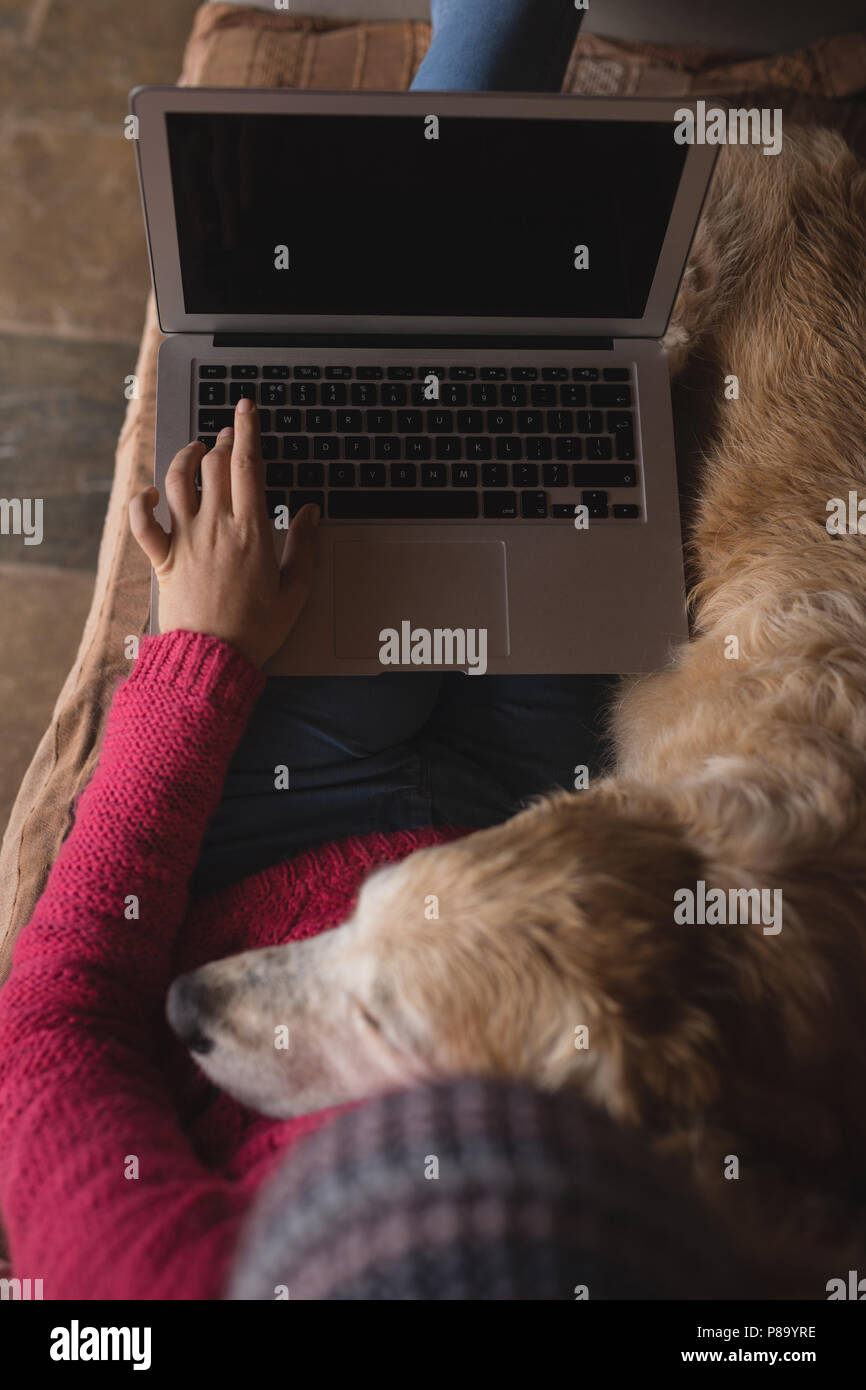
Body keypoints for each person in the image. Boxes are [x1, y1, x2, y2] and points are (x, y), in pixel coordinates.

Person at [0, 1, 632, 1300]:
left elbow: (57, 1013)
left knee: (382, 334)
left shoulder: (138, 1274)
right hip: (527, 838)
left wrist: (200, 654)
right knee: (556, 377)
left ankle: (499, 33)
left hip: (273, 832)